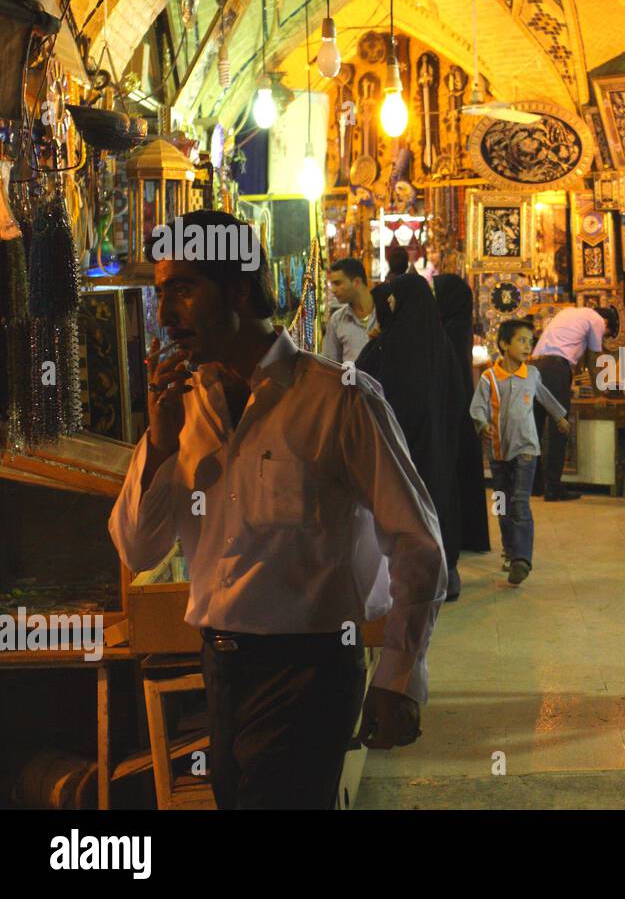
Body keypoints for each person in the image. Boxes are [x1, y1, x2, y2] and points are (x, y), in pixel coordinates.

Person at [108, 211, 444, 809]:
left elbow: (416, 542)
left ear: (239, 289)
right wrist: (158, 448)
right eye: (160, 294)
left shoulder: (337, 399)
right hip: (221, 671)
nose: (164, 316)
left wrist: (399, 675)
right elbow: (138, 549)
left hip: (308, 674)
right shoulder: (183, 410)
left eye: (183, 289)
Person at [357, 272, 466, 601]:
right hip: (437, 446)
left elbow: (360, 383)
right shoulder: (441, 344)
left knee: (402, 505)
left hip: (396, 446)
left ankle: (405, 576)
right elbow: (458, 395)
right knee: (437, 500)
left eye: (392, 300)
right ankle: (446, 573)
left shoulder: (386, 344)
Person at [470, 319, 570, 586]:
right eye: (521, 340)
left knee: (520, 502)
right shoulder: (489, 377)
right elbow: (478, 407)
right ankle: (510, 550)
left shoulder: (533, 375)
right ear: (504, 344)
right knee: (502, 505)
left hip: (526, 448)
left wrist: (560, 417)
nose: (528, 346)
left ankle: (522, 560)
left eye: (530, 340)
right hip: (498, 452)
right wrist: (481, 426)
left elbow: (545, 397)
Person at [530, 304, 620, 501]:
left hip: (535, 365)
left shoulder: (570, 313)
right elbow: (593, 359)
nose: (603, 338)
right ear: (605, 323)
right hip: (556, 369)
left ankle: (534, 485)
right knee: (558, 428)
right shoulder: (596, 320)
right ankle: (553, 487)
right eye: (607, 334)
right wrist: (600, 393)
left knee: (534, 429)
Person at [433, 273, 491, 555]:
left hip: (454, 409)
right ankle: (470, 534)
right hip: (461, 408)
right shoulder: (458, 325)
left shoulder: (450, 330)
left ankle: (464, 535)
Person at [322, 257, 375, 365]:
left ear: (356, 282)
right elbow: (330, 366)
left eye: (338, 283)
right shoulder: (337, 320)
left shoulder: (384, 313)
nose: (333, 289)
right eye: (332, 285)